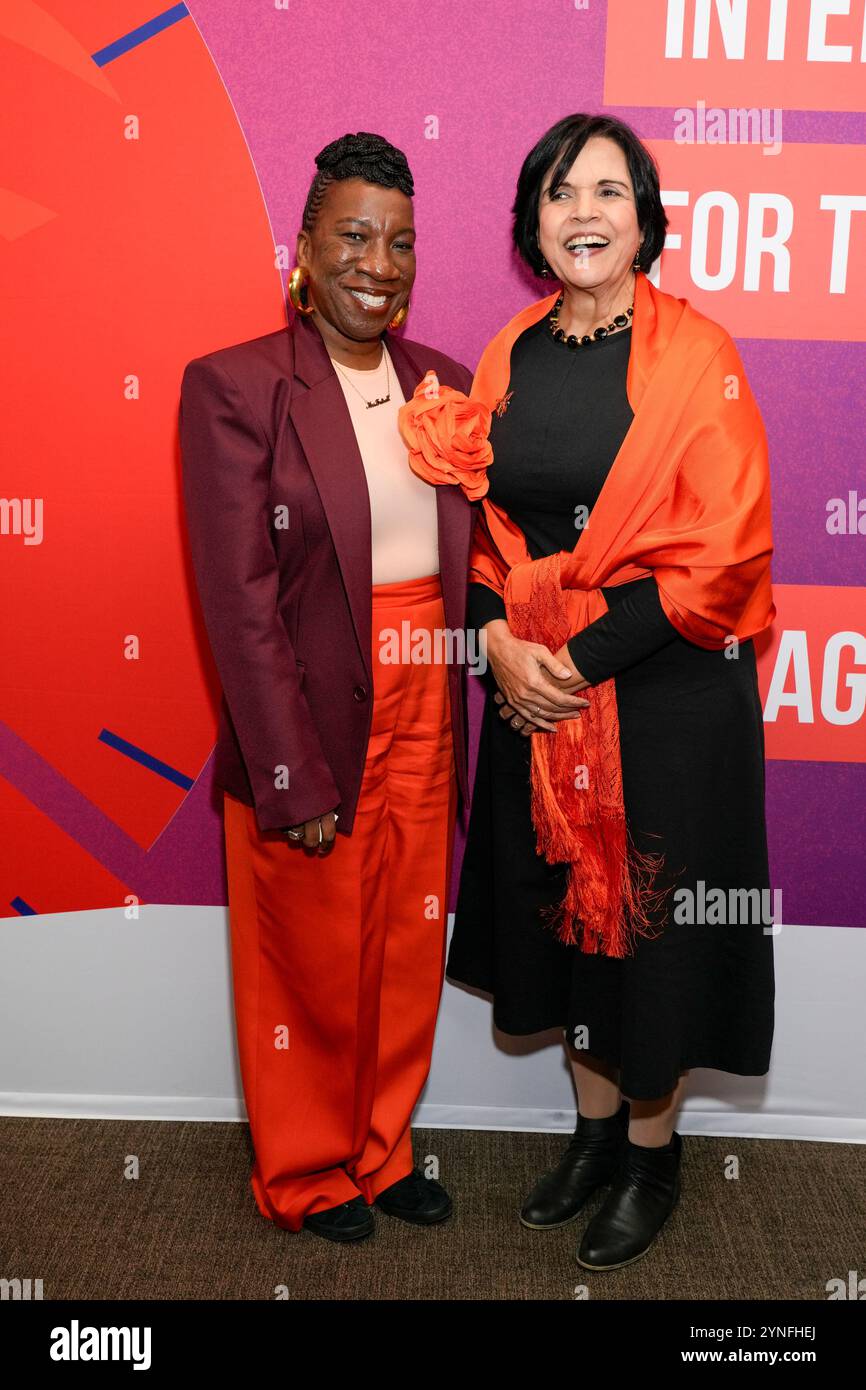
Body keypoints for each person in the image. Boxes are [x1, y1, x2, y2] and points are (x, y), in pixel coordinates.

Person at [444, 113, 776, 1270]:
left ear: (643, 218)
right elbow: (481, 535)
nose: (582, 212)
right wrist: (495, 645)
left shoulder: (698, 355)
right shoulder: (506, 354)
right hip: (537, 702)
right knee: (565, 925)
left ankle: (651, 1156)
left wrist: (569, 667)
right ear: (531, 222)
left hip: (666, 702)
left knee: (652, 929)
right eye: (558, 193)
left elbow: (722, 553)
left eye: (607, 192)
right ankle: (590, 1134)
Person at [179, 133, 475, 1243]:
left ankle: (382, 1149)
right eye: (353, 234)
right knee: (308, 943)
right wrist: (288, 771)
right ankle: (306, 1171)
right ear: (302, 248)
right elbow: (237, 602)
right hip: (305, 705)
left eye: (398, 241)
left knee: (404, 934)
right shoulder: (235, 386)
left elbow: (469, 558)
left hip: (425, 695)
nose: (378, 261)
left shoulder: (439, 383)